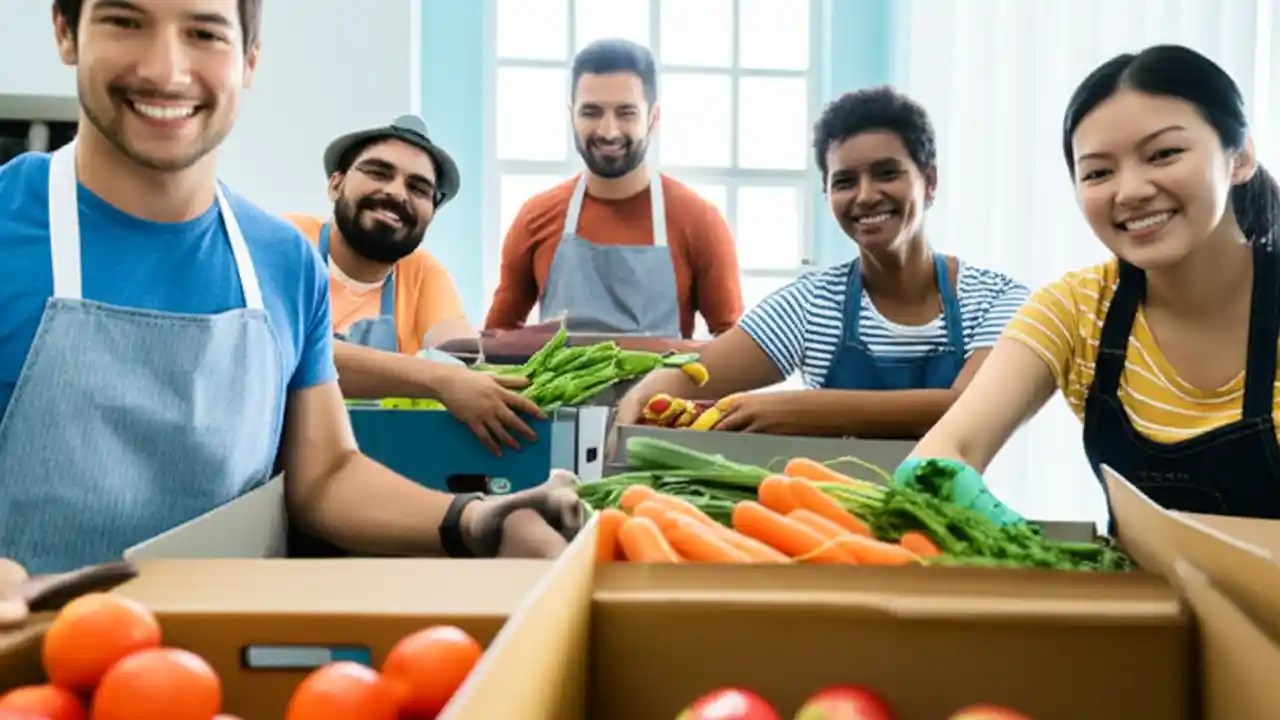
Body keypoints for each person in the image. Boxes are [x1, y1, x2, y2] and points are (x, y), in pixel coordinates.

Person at [0, 0, 582, 608]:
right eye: (126, 21)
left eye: (204, 32)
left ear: (248, 62)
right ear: (66, 32)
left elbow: (325, 476)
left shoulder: (281, 261)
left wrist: (476, 521)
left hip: (226, 666)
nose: (166, 69)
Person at [902, 44, 1280, 522]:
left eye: (1164, 154)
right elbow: (939, 461)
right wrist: (1028, 550)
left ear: (1240, 157)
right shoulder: (1078, 311)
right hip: (1145, 597)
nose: (1132, 191)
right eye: (1099, 172)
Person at [616, 87, 1028, 438]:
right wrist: (641, 396)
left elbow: (970, 407)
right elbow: (685, 379)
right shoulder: (811, 305)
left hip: (953, 524)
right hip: (824, 522)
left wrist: (795, 411)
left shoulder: (994, 300)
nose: (866, 196)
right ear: (827, 193)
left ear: (930, 181)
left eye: (887, 174)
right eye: (845, 181)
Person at [284, 116, 541, 453]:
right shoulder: (288, 243)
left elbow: (459, 355)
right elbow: (290, 354)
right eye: (378, 172)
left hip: (376, 463)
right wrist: (435, 378)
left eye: (418, 189)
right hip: (278, 462)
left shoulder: (423, 274)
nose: (395, 192)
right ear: (336, 183)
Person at [483, 38, 744, 339]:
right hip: (558, 388)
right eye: (591, 112)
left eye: (626, 113)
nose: (608, 131)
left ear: (653, 118)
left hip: (666, 389)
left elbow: (732, 348)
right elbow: (496, 339)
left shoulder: (699, 221)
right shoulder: (535, 217)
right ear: (572, 117)